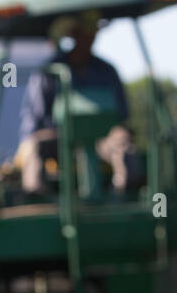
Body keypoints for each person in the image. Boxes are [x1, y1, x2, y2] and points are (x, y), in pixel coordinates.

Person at [14, 11, 140, 196]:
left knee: (121, 140)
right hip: (58, 138)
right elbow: (34, 120)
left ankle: (126, 193)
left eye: (92, 32)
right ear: (72, 35)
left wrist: (117, 130)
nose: (89, 38)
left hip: (101, 138)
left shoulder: (106, 70)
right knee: (34, 145)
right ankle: (36, 197)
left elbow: (121, 115)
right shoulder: (49, 71)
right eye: (83, 32)